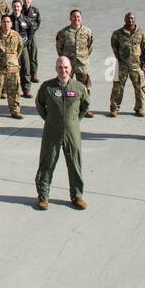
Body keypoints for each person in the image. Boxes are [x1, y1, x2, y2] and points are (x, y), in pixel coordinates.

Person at [34, 56, 90, 210]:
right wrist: (51, 119)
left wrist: (73, 120)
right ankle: (43, 197)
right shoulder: (48, 87)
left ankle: (77, 196)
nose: (63, 70)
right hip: (52, 131)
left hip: (72, 132)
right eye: (60, 67)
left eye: (66, 67)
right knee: (47, 162)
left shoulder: (79, 88)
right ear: (56, 69)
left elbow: (85, 105)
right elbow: (40, 105)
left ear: (70, 68)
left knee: (75, 163)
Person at [55, 9, 95, 117]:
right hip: (68, 66)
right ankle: (65, 108)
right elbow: (59, 48)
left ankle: (84, 108)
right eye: (74, 16)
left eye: (78, 17)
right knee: (65, 86)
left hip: (82, 64)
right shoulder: (63, 33)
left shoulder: (87, 32)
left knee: (84, 87)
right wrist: (65, 60)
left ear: (81, 18)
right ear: (70, 18)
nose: (76, 18)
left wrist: (83, 57)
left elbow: (90, 47)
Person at [109, 11, 145, 118]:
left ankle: (139, 108)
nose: (130, 20)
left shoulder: (140, 33)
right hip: (122, 66)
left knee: (139, 88)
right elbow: (114, 47)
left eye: (132, 18)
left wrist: (143, 63)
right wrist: (120, 59)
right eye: (128, 18)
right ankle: (114, 108)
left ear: (135, 19)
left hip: (136, 66)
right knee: (117, 87)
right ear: (124, 20)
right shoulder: (117, 34)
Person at [0, 14, 24, 120]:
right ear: (1, 23)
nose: (6, 24)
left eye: (8, 22)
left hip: (13, 68)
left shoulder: (16, 36)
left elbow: (20, 48)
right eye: (4, 22)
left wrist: (13, 59)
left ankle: (15, 111)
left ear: (11, 24)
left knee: (14, 90)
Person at [10, 0, 34, 96]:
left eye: (18, 6)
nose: (16, 8)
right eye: (15, 6)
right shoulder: (8, 19)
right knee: (10, 69)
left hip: (22, 48)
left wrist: (27, 41)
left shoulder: (25, 19)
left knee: (25, 68)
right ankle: (8, 90)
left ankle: (26, 90)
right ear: (12, 7)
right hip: (11, 49)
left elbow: (30, 31)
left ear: (21, 7)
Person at [21, 0, 42, 80]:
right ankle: (25, 74)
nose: (26, 1)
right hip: (22, 36)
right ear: (22, 0)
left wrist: (31, 32)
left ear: (31, 0)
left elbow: (38, 22)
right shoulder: (20, 10)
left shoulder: (35, 11)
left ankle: (34, 74)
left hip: (32, 36)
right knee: (23, 56)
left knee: (33, 55)